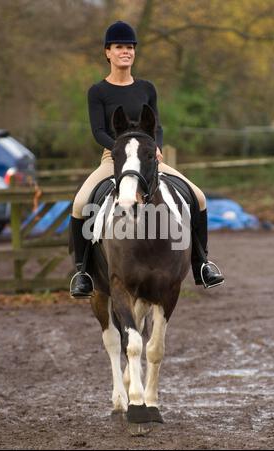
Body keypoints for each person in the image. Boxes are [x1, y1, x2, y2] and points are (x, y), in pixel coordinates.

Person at [70, 21, 224, 298]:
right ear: (108, 52)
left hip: (149, 158)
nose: (125, 52)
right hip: (113, 159)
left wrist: (156, 148)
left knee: (198, 197)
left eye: (130, 47)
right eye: (119, 47)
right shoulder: (98, 91)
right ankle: (82, 273)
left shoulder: (147, 87)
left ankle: (202, 263)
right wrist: (122, 150)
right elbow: (99, 132)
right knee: (81, 203)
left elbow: (157, 126)